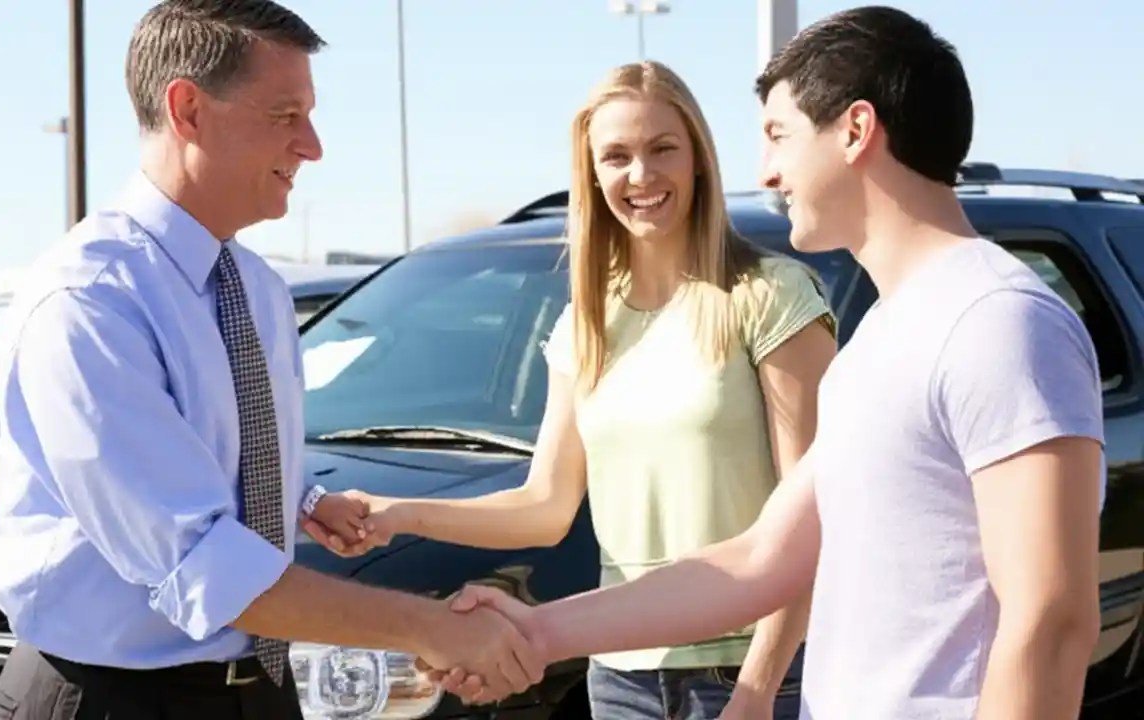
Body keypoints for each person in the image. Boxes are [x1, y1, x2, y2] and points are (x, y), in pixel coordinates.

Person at [423, 6, 1106, 720]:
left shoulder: (999, 322)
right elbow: (756, 562)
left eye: (779, 135)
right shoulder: (881, 339)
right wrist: (535, 629)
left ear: (855, 131)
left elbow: (1051, 621)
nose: (766, 171)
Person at [0, 2, 540, 719]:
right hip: (113, 700)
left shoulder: (258, 289)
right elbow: (202, 566)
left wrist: (303, 500)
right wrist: (430, 629)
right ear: (187, 109)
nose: (312, 146)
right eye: (285, 115)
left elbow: (214, 457)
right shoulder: (89, 304)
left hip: (261, 693)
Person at [317, 60, 837, 719]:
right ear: (591, 172)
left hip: (750, 674)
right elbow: (545, 505)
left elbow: (814, 521)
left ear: (699, 159)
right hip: (621, 682)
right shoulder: (585, 322)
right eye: (616, 156)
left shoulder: (769, 296)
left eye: (662, 149)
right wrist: (396, 515)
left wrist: (757, 691)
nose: (641, 175)